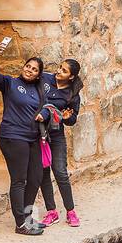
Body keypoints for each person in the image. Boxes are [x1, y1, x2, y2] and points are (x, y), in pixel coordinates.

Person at [0, 41, 47, 235]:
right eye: (27, 66)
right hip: (13, 136)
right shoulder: (10, 83)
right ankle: (21, 224)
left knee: (36, 176)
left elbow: (47, 109)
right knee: (19, 179)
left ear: (39, 74)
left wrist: (45, 115)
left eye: (34, 69)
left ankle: (28, 216)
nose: (29, 70)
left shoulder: (38, 91)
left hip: (32, 137)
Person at [37, 58, 82, 227]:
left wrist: (68, 118)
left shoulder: (72, 94)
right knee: (43, 172)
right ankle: (52, 211)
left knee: (60, 172)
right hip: (38, 134)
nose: (58, 71)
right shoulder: (45, 79)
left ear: (71, 77)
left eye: (64, 70)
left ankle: (71, 212)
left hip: (56, 136)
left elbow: (72, 119)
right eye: (60, 68)